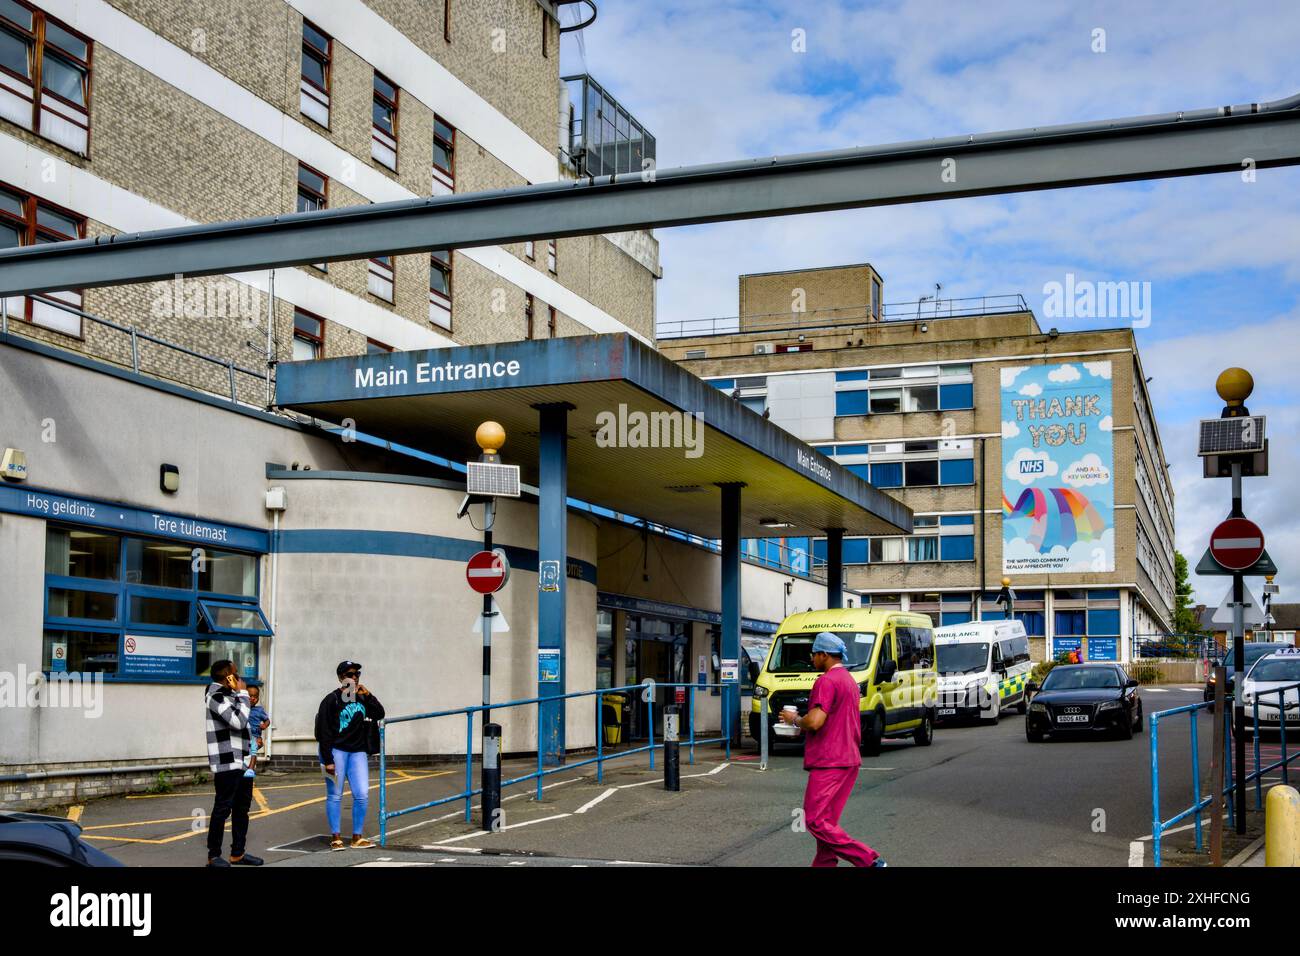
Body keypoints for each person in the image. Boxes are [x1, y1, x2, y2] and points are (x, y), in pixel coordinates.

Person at [777, 633, 885, 867]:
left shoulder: (826, 681)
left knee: (815, 820)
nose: (812, 659)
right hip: (849, 758)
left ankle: (870, 861)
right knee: (827, 824)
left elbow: (815, 721)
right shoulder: (849, 680)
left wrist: (794, 719)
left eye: (814, 654)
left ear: (823, 655)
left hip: (829, 759)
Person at [314, 660, 385, 851]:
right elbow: (324, 732)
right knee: (335, 795)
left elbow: (379, 713)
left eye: (357, 675)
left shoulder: (362, 698)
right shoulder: (332, 699)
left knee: (362, 794)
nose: (354, 678)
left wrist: (368, 695)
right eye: (350, 674)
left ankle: (357, 837)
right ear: (340, 677)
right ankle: (336, 838)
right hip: (335, 751)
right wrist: (328, 760)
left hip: (357, 751)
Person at [204, 660, 264, 867]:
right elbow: (237, 721)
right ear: (228, 677)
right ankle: (213, 856)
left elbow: (244, 723)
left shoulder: (232, 695)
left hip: (243, 761)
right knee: (222, 808)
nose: (240, 679)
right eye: (236, 674)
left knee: (242, 809)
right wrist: (244, 694)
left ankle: (237, 853)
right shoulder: (215, 696)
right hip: (227, 761)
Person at [247, 685, 271, 774]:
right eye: (250, 696)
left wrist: (265, 725)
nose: (253, 698)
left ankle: (251, 770)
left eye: (255, 696)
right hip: (244, 736)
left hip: (255, 736)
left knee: (253, 751)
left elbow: (267, 720)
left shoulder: (259, 710)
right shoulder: (242, 708)